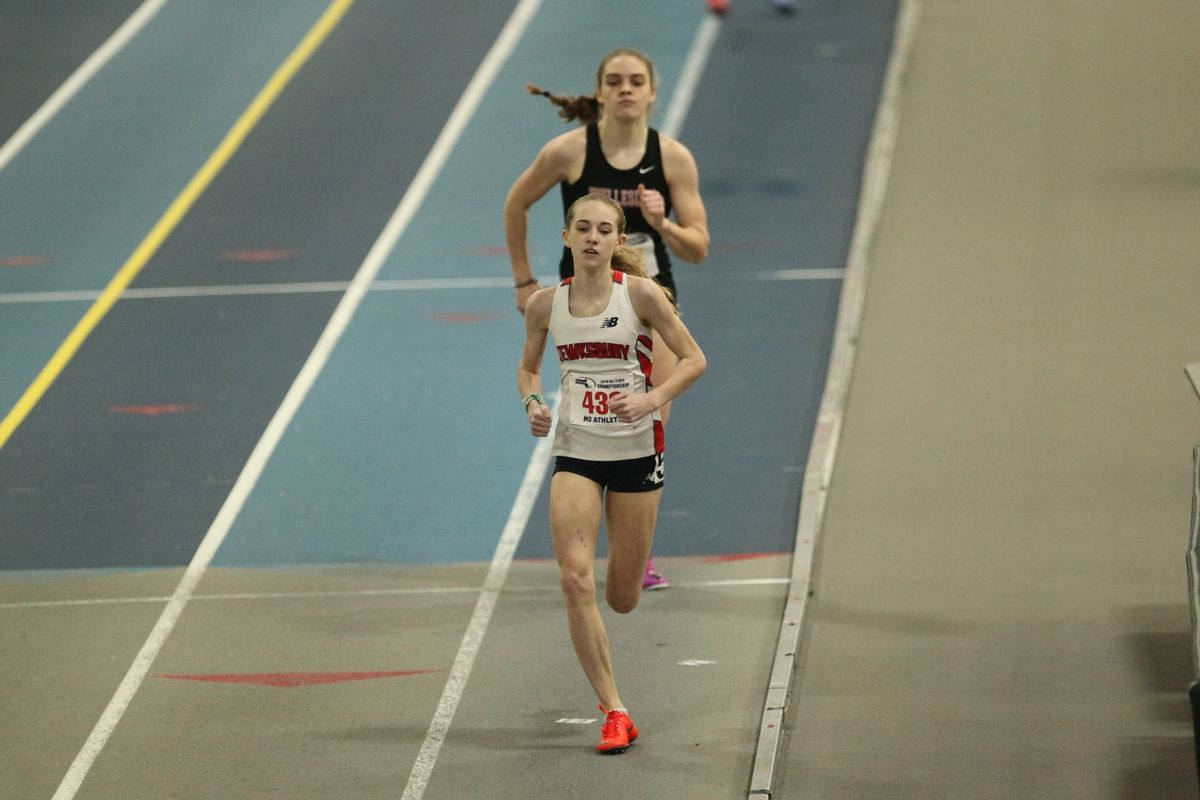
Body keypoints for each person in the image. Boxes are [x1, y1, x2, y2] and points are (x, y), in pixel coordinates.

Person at [504, 47, 710, 590]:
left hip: (648, 299)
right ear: (599, 91)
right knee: (587, 412)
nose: (625, 89)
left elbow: (698, 249)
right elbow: (516, 203)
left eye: (636, 81)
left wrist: (662, 225)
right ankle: (584, 523)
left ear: (651, 93)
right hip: (583, 302)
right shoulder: (569, 152)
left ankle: (633, 550)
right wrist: (524, 281)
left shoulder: (673, 159)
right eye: (614, 80)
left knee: (652, 414)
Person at [517, 193, 706, 754]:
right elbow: (529, 368)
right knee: (574, 579)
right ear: (567, 237)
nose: (593, 237)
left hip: (636, 453)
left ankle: (628, 579)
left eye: (604, 229)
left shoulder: (641, 296)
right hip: (575, 450)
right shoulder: (545, 306)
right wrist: (533, 405)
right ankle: (615, 709)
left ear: (618, 241)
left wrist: (653, 400)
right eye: (583, 228)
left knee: (621, 598)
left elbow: (695, 359)